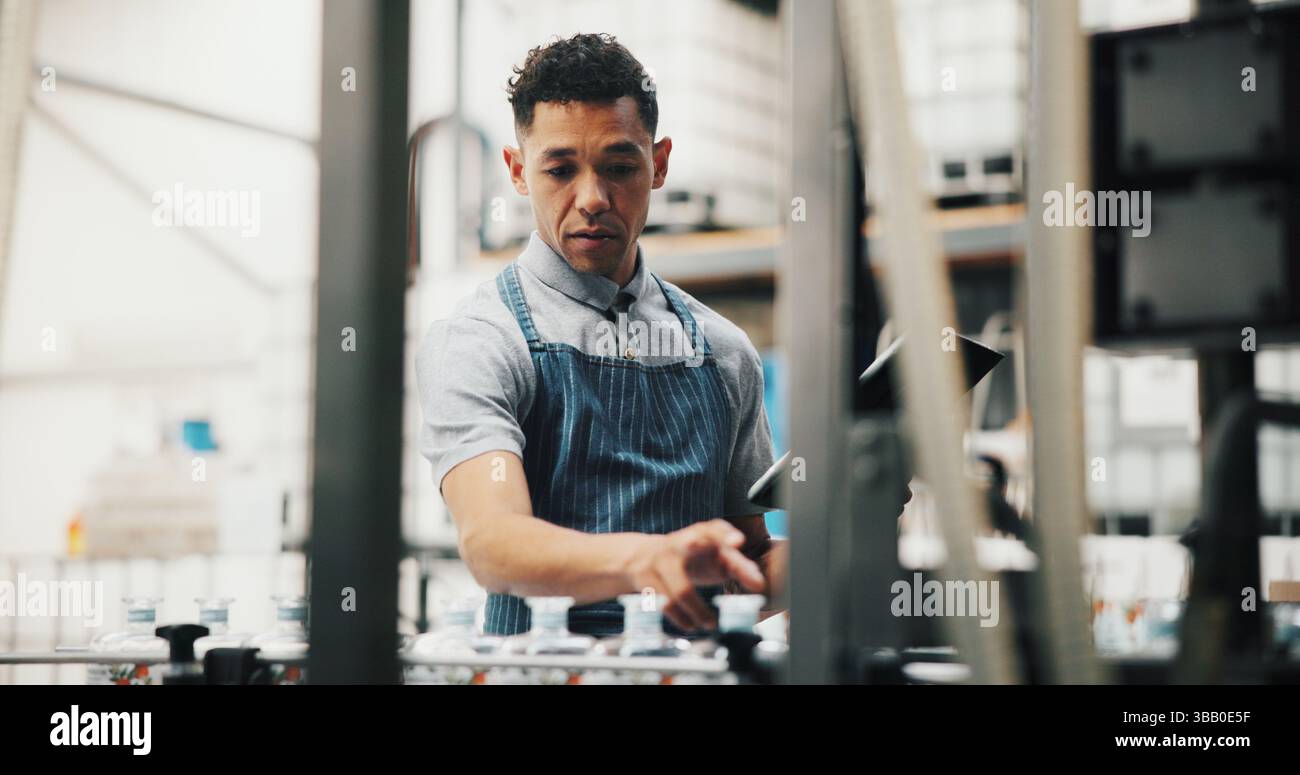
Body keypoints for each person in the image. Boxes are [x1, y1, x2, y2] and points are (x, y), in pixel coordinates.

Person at [416, 33, 778, 637]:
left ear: (658, 165)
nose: (592, 199)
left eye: (620, 167)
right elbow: (493, 543)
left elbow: (750, 564)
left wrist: (854, 535)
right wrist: (645, 561)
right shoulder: (481, 339)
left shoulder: (723, 352)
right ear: (517, 171)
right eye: (560, 169)